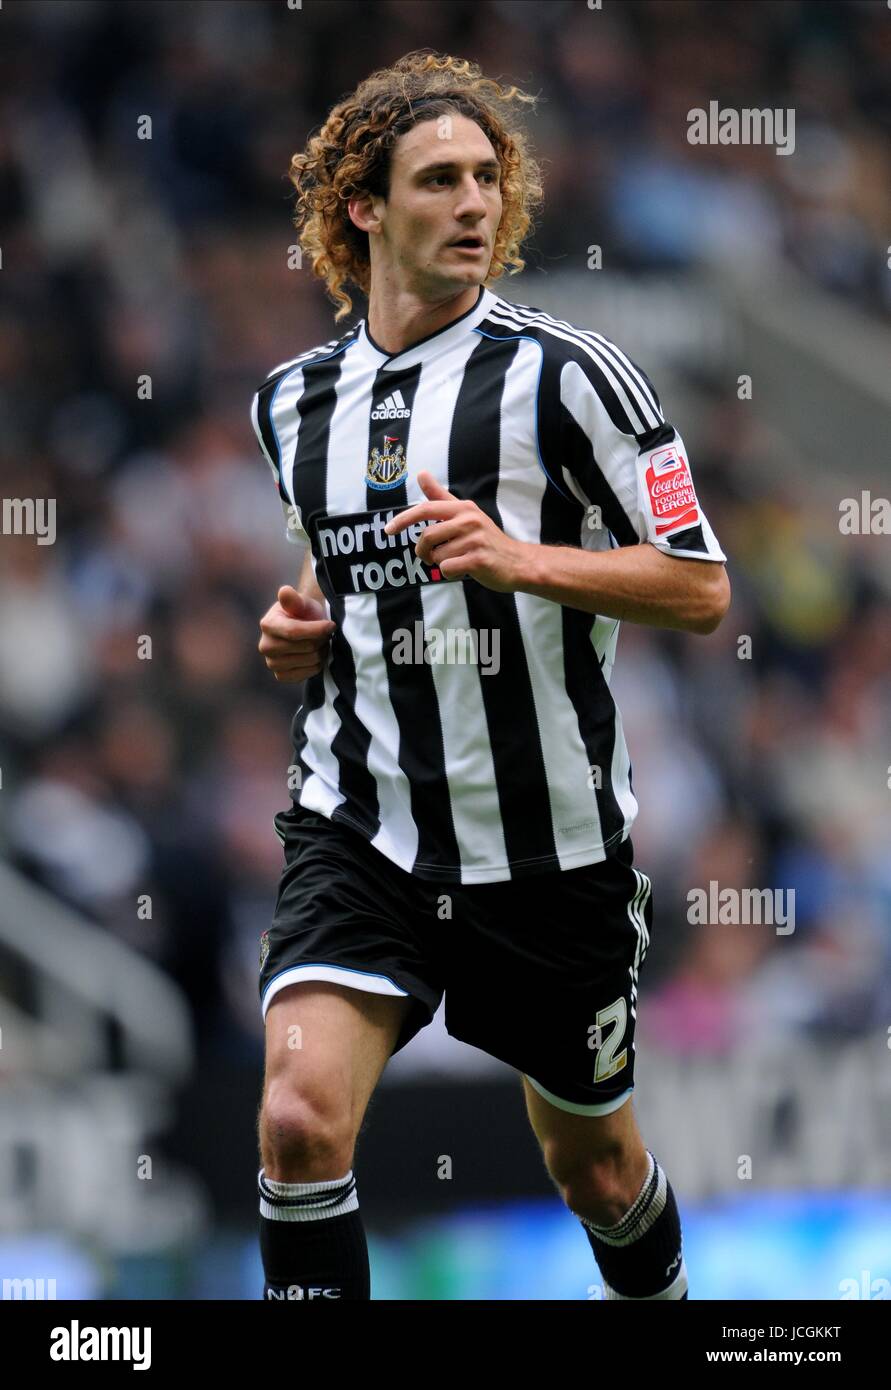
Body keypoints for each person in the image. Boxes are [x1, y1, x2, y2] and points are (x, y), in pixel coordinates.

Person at [249, 50, 730, 1301]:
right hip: (362, 828)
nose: (474, 204)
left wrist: (521, 560)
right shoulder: (291, 405)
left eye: (486, 178)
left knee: (599, 1171)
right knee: (299, 1120)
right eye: (439, 180)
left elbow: (702, 585)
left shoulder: (573, 377)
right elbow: (331, 583)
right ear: (364, 206)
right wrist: (297, 632)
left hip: (548, 852)